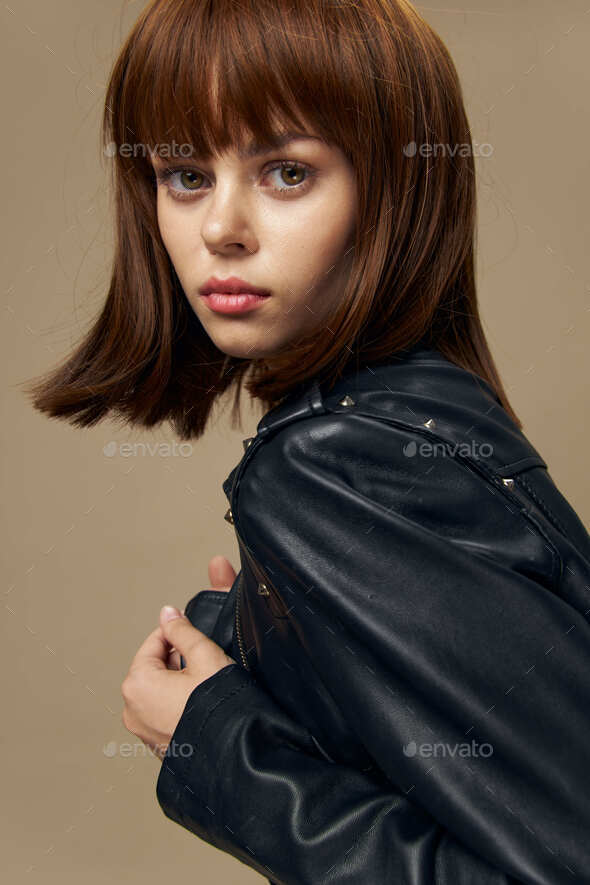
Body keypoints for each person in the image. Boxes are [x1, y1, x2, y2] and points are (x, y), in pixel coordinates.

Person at [22, 0, 590, 883]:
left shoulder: (334, 466)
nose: (221, 228)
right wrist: (278, 654)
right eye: (184, 174)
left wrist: (216, 742)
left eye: (286, 172)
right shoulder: (434, 414)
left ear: (397, 192)